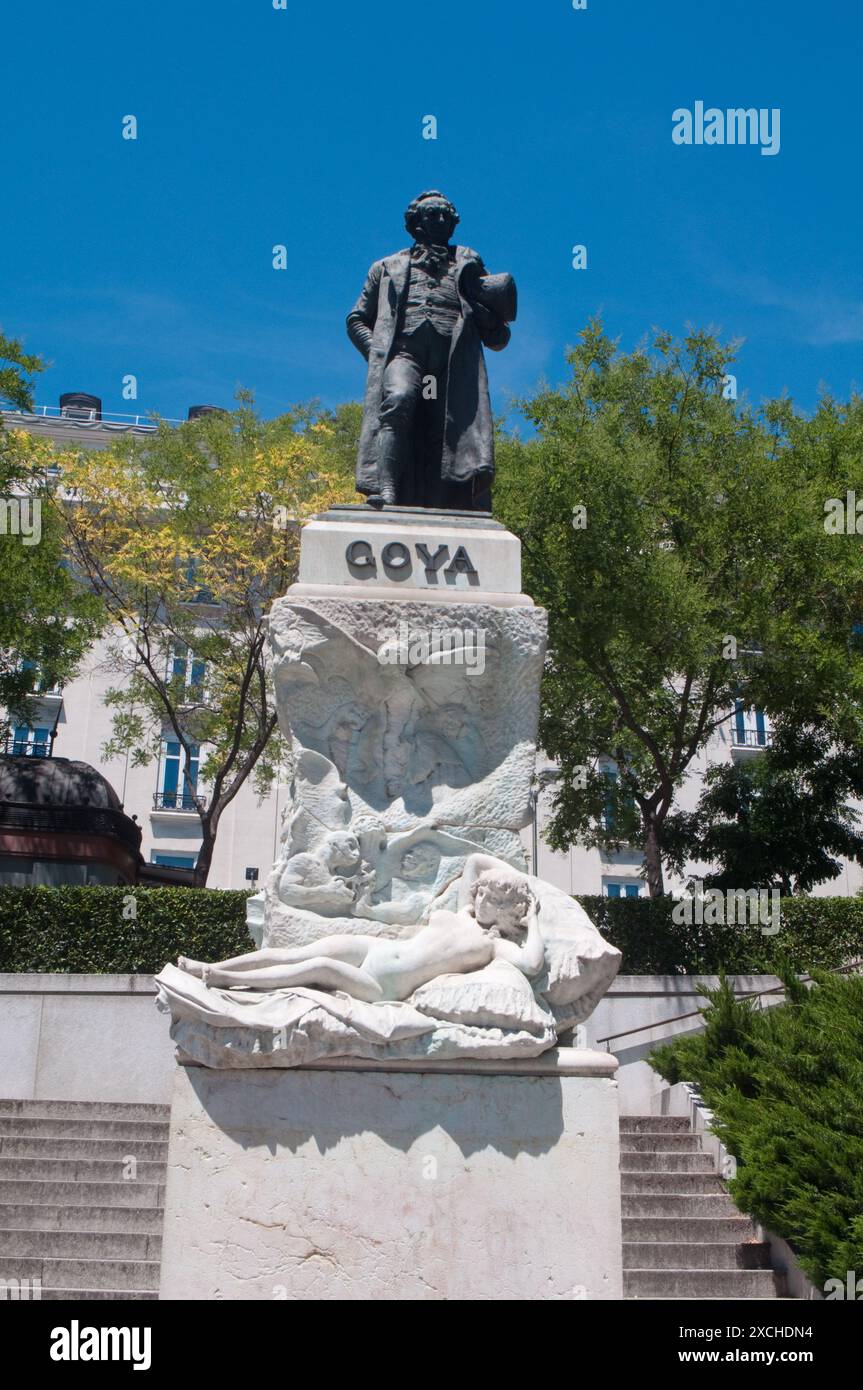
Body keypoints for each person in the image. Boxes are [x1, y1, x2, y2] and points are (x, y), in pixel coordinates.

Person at [177, 856, 544, 1004]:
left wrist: (536, 917)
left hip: (384, 985)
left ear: (508, 914)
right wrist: (521, 881)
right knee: (297, 953)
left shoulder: (493, 946)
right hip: (373, 949)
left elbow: (531, 963)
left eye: (493, 900)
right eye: (483, 893)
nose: (481, 900)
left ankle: (220, 978)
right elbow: (475, 862)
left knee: (313, 969)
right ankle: (213, 966)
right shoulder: (464, 912)